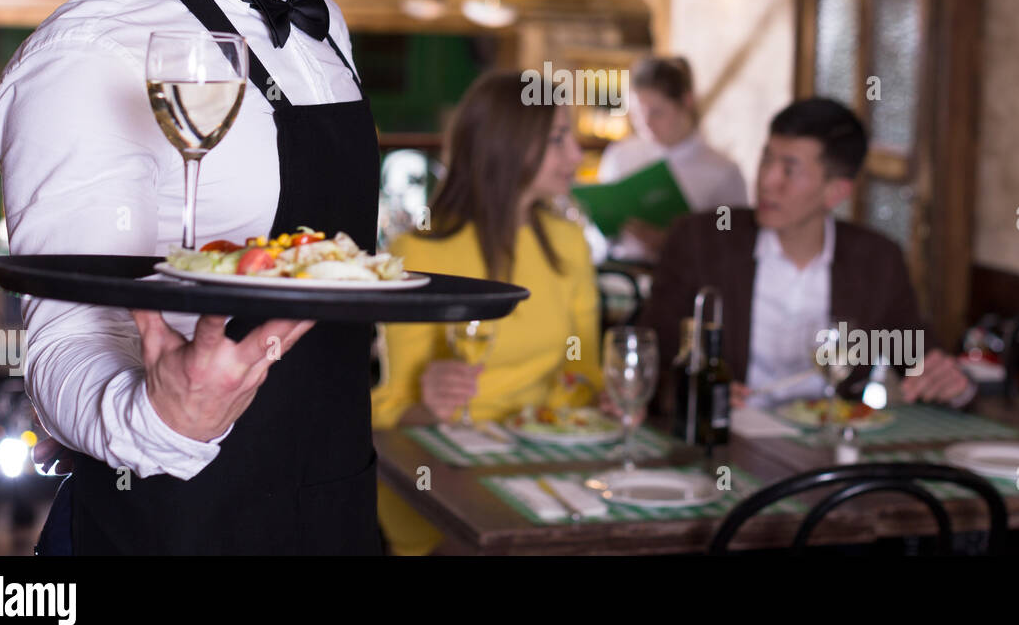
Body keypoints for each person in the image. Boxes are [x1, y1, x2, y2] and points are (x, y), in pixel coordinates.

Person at [0, 0, 383, 554]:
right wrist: (166, 414)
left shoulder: (326, 25)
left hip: (333, 510)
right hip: (171, 526)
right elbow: (62, 345)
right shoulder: (93, 51)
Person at [371, 71, 603, 555]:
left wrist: (609, 401)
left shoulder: (569, 244)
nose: (577, 156)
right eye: (559, 139)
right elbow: (393, 415)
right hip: (443, 479)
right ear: (507, 144)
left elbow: (585, 375)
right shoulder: (416, 253)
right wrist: (429, 406)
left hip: (548, 468)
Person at [643, 97, 973, 414]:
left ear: (837, 191)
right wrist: (693, 393)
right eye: (766, 160)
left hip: (826, 449)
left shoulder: (876, 261)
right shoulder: (701, 241)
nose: (768, 181)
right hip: (724, 443)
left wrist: (949, 383)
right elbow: (654, 362)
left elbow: (918, 359)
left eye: (790, 169)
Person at [596, 56, 748, 263]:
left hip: (686, 280)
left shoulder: (722, 172)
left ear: (686, 102)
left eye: (657, 112)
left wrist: (673, 242)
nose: (647, 123)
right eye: (638, 114)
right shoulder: (619, 156)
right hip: (620, 275)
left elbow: (730, 235)